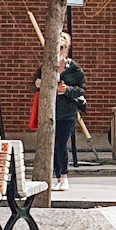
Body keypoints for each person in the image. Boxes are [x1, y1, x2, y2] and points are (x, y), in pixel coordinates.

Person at [35, 32, 87, 192]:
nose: (58, 50)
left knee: (60, 145)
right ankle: (54, 177)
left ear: (67, 50)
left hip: (66, 113)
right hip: (49, 111)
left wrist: (67, 90)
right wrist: (44, 84)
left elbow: (82, 89)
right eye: (55, 47)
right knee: (49, 146)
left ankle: (63, 176)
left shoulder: (74, 69)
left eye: (62, 47)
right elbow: (35, 83)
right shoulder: (46, 67)